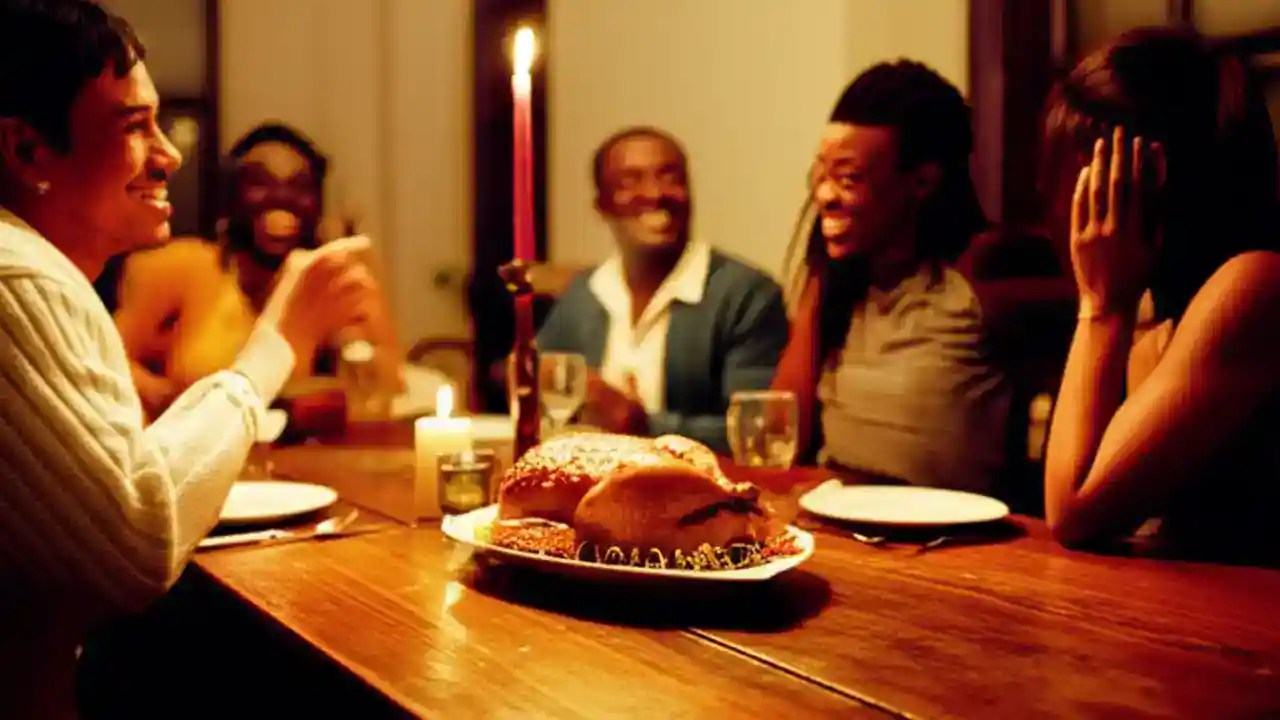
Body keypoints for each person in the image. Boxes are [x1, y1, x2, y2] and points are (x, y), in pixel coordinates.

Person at [0, 1, 380, 714]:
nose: (170, 155)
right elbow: (134, 545)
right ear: (27, 150)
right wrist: (275, 345)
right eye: (133, 125)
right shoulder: (18, 280)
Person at [1040, 27, 1280, 558]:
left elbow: (1074, 511)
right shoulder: (1167, 318)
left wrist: (1102, 306)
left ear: (1150, 174)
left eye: (1082, 181)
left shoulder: (1255, 284)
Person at [772, 61, 1011, 492]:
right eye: (821, 174)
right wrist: (820, 276)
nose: (825, 196)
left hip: (945, 527)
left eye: (849, 178)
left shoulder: (979, 279)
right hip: (834, 511)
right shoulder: (844, 286)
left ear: (921, 183)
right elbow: (783, 435)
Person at [109, 122, 402, 422]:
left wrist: (353, 342)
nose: (282, 197)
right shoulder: (181, 266)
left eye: (300, 185)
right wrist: (169, 401)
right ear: (229, 199)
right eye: (260, 182)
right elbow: (108, 359)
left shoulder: (332, 280)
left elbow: (384, 390)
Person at [536, 127, 788, 454]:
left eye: (670, 177)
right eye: (630, 181)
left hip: (702, 482)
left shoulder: (746, 296)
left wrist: (641, 424)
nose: (655, 193)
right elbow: (543, 398)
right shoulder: (585, 292)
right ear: (601, 205)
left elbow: (759, 433)